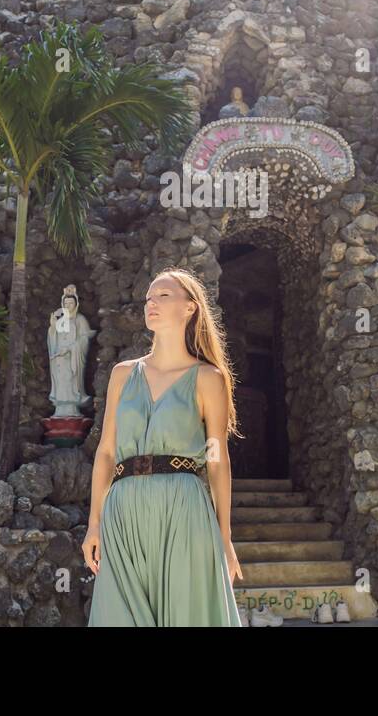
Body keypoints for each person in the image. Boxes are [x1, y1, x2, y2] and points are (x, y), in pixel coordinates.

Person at [84, 268, 244, 625]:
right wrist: (94, 523)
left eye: (163, 296)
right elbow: (107, 452)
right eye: (148, 298)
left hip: (184, 508)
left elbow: (217, 459)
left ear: (190, 308)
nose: (151, 304)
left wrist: (224, 537)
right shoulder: (123, 374)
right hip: (123, 510)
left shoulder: (208, 378)